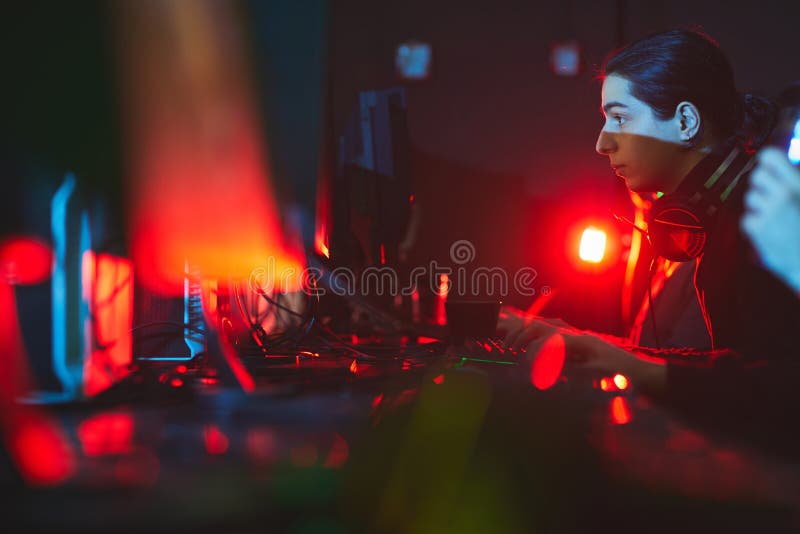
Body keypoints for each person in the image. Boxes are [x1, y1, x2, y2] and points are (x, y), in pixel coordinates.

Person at [501, 30, 800, 432]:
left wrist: (635, 368)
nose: (602, 143)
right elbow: (734, 364)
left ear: (685, 122)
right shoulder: (731, 215)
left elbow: (782, 389)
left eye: (621, 118)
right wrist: (598, 346)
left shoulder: (763, 222)